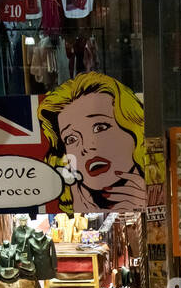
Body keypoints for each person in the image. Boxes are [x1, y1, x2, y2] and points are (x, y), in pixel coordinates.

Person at [39, 72, 147, 213]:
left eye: (100, 127)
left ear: (133, 130)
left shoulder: (165, 179)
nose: (87, 147)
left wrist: (152, 203)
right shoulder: (74, 201)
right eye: (71, 139)